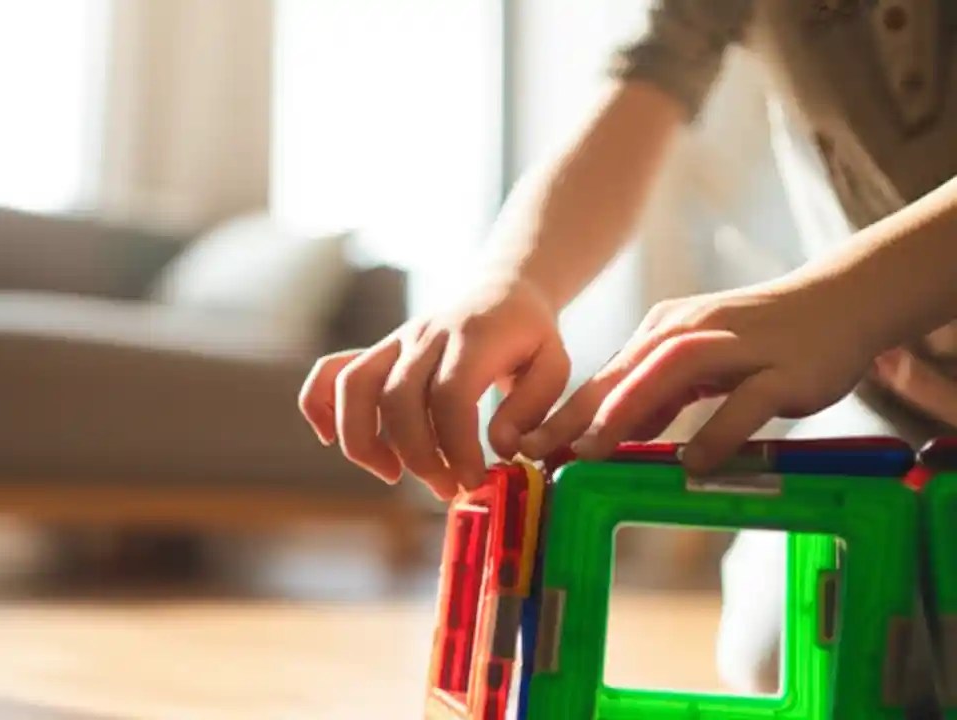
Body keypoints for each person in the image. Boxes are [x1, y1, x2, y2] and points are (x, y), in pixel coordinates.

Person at [297, 1, 956, 716]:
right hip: (896, 393)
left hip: (869, 348)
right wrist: (512, 283)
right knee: (783, 650)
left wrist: (843, 301)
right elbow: (648, 74)